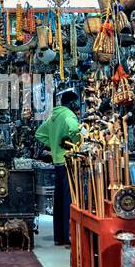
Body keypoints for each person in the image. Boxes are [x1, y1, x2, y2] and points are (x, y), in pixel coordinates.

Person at [36, 89, 81, 247]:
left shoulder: (53, 116)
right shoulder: (69, 115)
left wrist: (54, 145)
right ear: (73, 103)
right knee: (69, 200)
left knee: (59, 200)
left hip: (57, 161)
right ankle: (69, 236)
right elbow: (75, 130)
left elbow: (39, 134)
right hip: (68, 161)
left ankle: (59, 237)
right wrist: (73, 142)